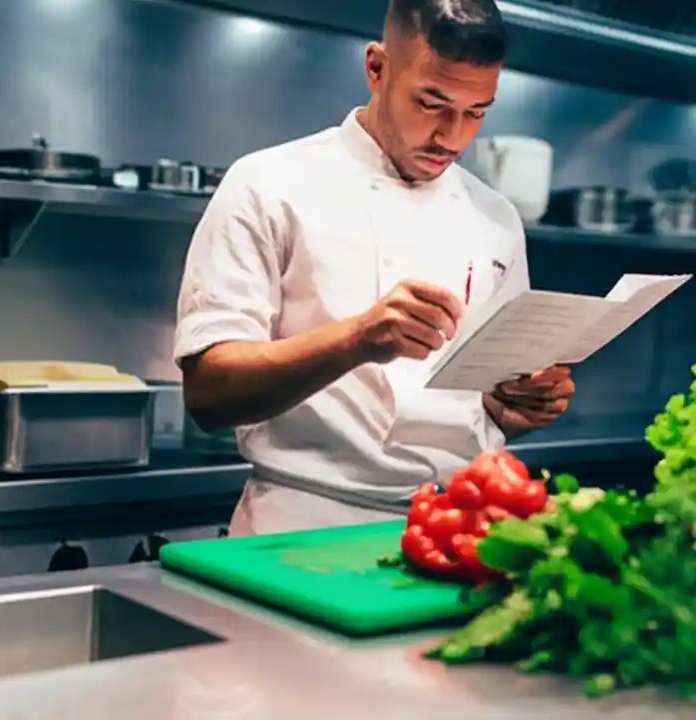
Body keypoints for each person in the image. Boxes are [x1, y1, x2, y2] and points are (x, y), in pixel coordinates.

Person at [173, 0, 574, 536]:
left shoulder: (495, 217)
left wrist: (518, 410)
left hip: (458, 523)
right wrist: (357, 340)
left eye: (477, 112)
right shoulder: (269, 184)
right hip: (303, 525)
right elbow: (209, 394)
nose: (452, 136)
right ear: (377, 68)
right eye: (432, 103)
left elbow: (486, 409)